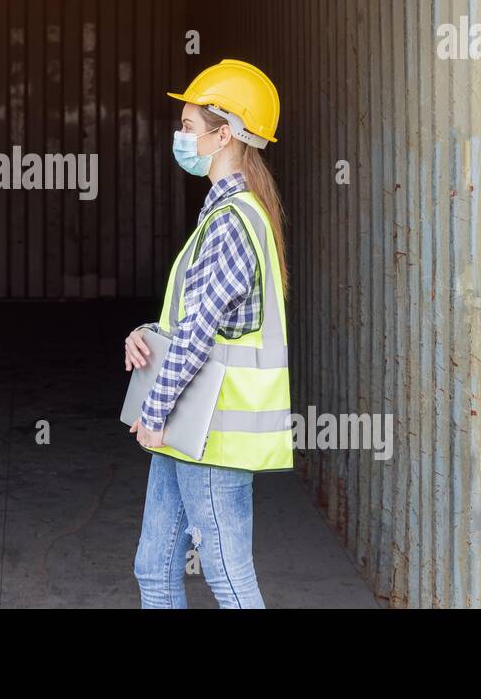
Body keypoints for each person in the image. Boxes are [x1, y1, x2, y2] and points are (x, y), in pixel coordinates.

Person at [125, 58, 292, 609]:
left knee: (226, 574)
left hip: (211, 436)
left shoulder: (233, 221)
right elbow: (195, 321)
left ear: (224, 135)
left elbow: (198, 336)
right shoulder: (223, 214)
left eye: (188, 128)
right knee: (154, 568)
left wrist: (152, 413)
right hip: (189, 427)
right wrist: (147, 333)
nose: (180, 137)